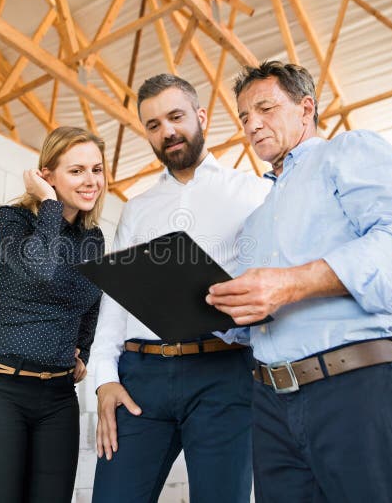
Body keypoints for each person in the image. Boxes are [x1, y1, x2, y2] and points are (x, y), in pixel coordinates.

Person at [206, 61, 392, 503]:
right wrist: (213, 306)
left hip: (355, 390)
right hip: (271, 407)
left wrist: (291, 284)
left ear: (305, 108)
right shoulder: (255, 221)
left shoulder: (347, 151)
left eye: (265, 108)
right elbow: (259, 311)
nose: (252, 124)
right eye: (243, 118)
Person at [89, 74, 271, 502]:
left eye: (175, 117)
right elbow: (114, 302)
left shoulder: (254, 192)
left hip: (223, 375)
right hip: (140, 381)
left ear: (200, 116)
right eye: (153, 125)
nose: (167, 131)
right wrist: (103, 381)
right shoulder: (137, 209)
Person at [0, 126, 107, 503]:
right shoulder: (12, 220)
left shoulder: (93, 238)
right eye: (76, 171)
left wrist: (82, 350)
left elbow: (92, 299)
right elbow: (39, 267)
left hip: (57, 396)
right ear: (47, 175)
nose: (91, 181)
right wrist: (51, 205)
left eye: (97, 169)